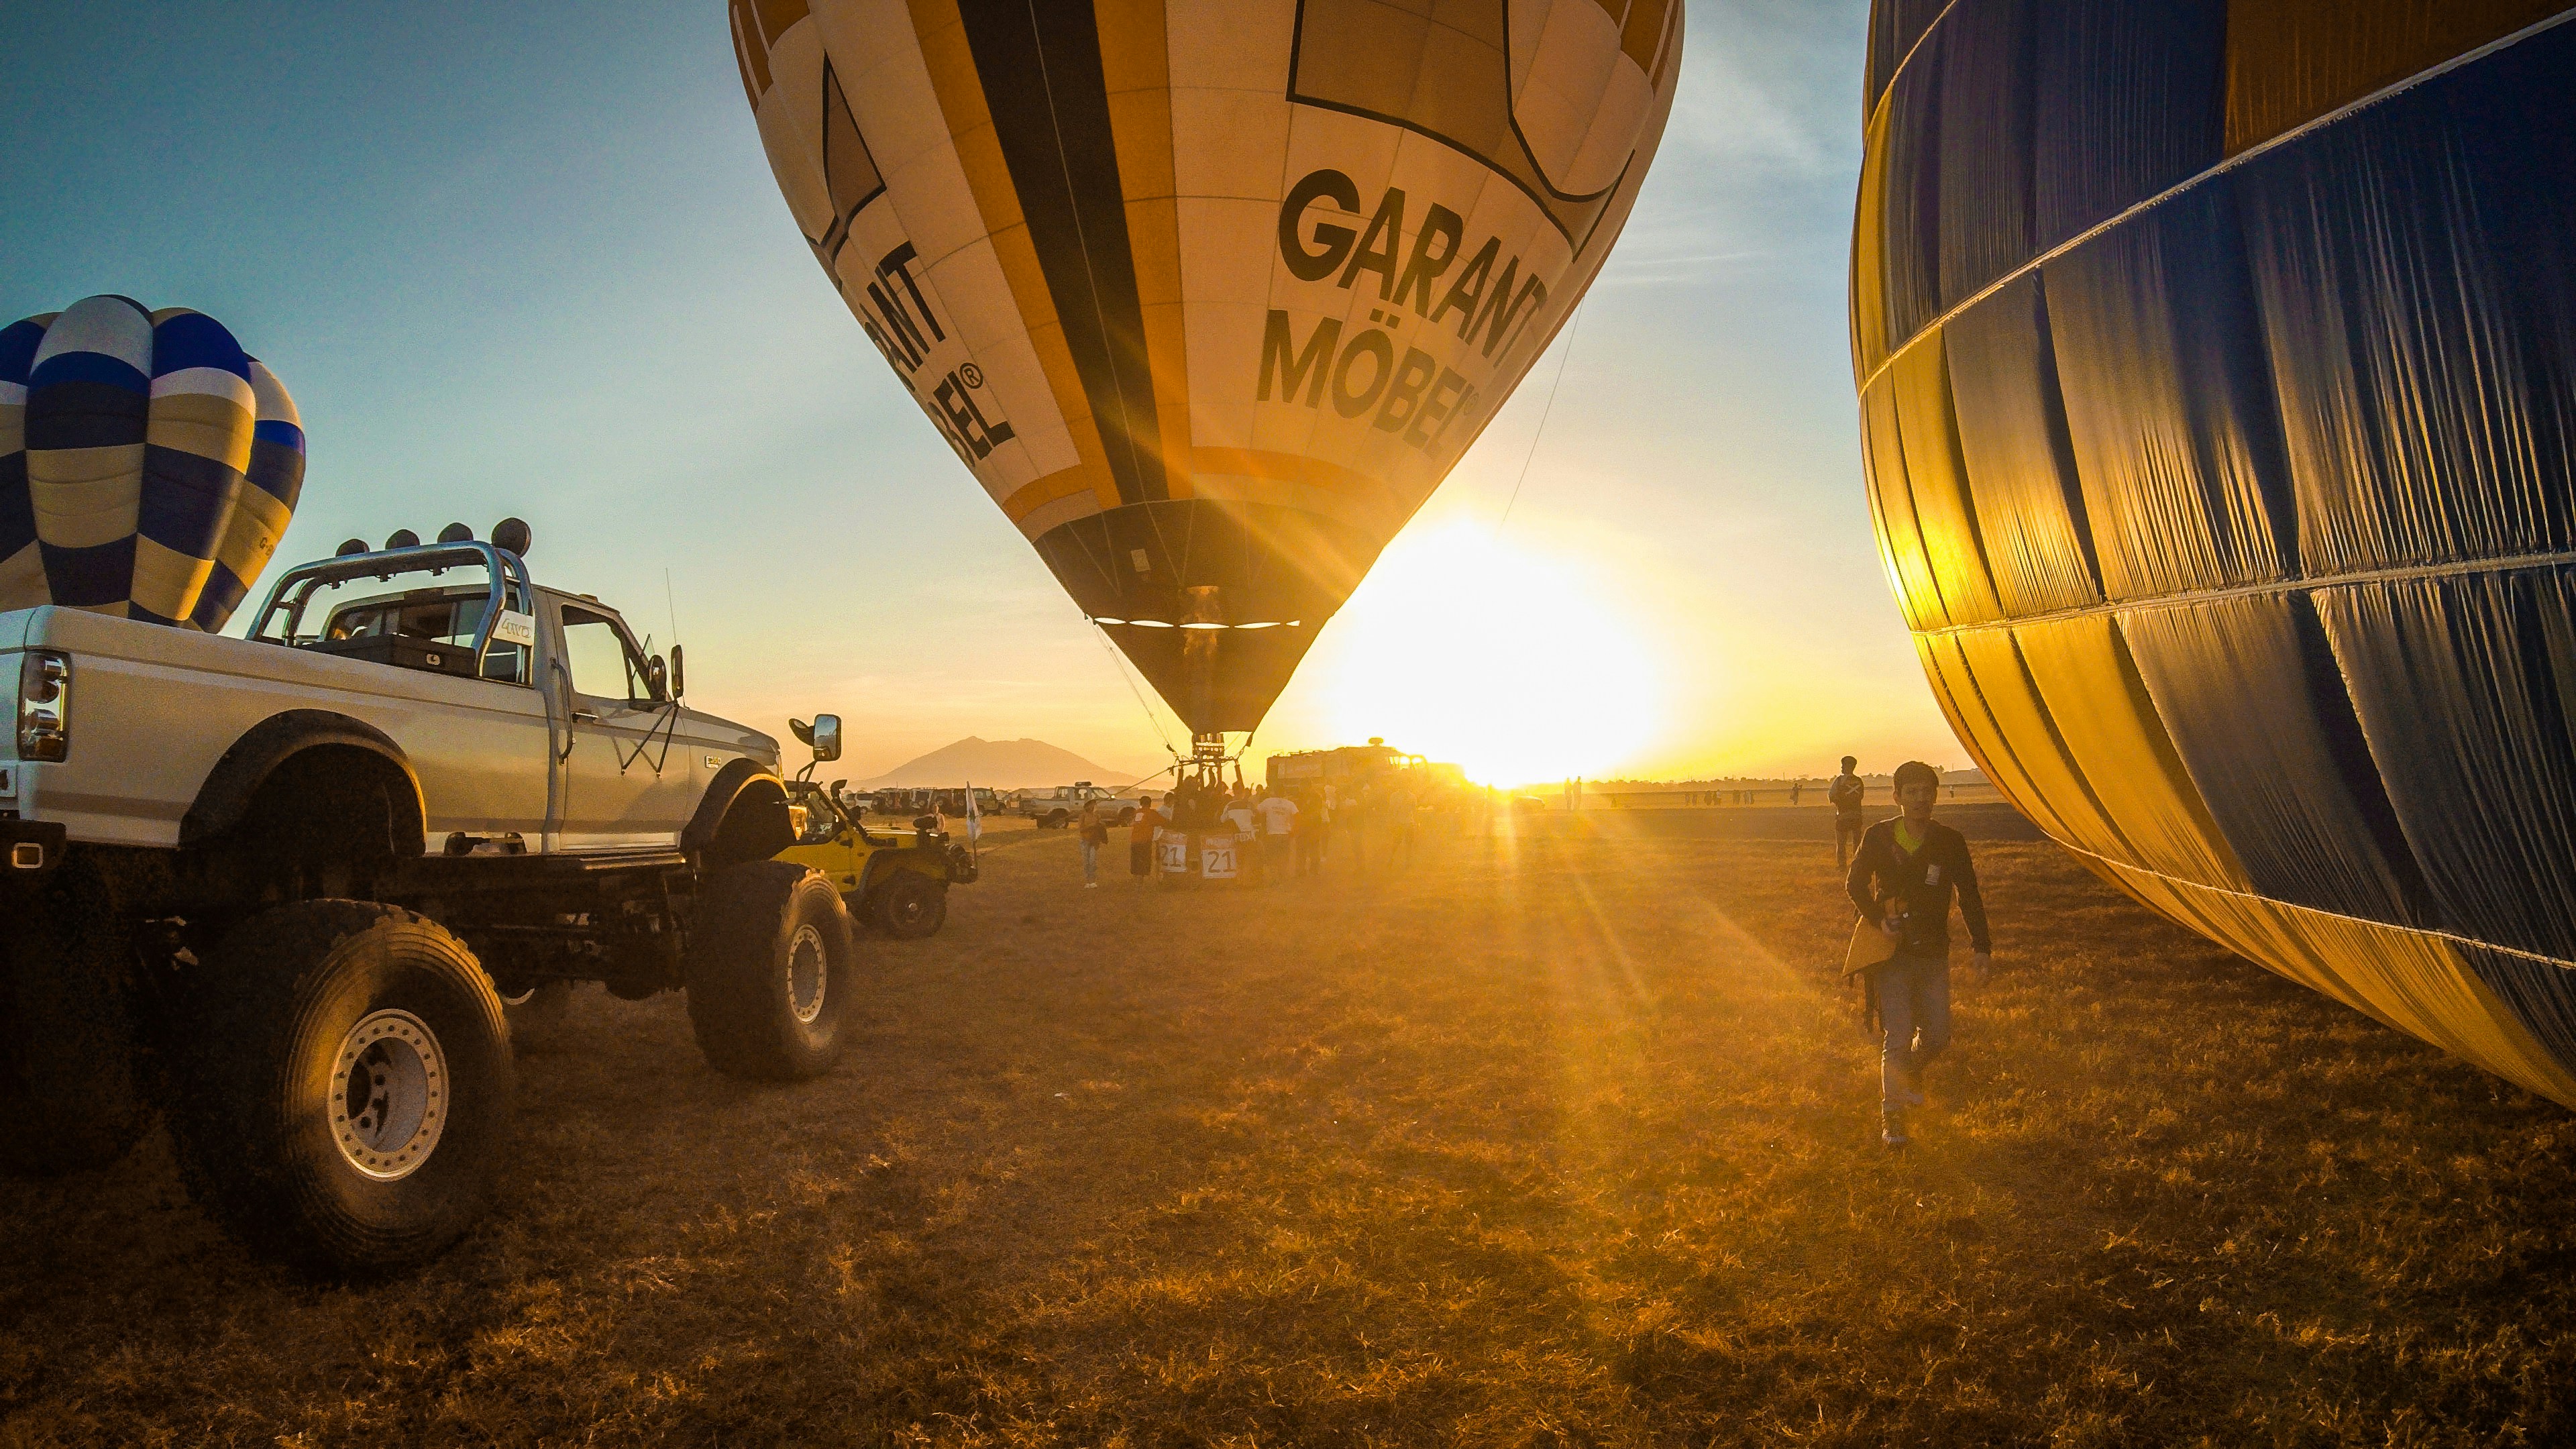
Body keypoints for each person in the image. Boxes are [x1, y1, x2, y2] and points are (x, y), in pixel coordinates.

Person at [1845, 760, 1992, 1148]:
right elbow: (1855, 883)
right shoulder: (1878, 837)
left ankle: (1909, 1071)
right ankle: (1892, 1113)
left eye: (1928, 791)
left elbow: (1970, 895)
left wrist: (1982, 946)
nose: (1921, 798)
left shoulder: (1950, 841)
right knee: (1898, 1033)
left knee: (1939, 1035)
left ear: (1936, 795)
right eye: (1911, 792)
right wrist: (1878, 919)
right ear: (1897, 797)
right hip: (1891, 952)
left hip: (1932, 951)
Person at [1829, 755, 1866, 870]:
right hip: (1856, 815)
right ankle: (1857, 865)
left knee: (1841, 843)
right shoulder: (1859, 781)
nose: (1841, 768)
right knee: (1857, 843)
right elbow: (1861, 796)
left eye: (1843, 765)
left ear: (1846, 766)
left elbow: (1831, 795)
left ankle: (1842, 866)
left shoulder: (1839, 780)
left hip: (1843, 816)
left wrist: (1839, 803)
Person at [1257, 784, 1298, 883]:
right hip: (1285, 834)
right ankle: (1283, 877)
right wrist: (1293, 830)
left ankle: (1274, 878)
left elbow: (1257, 811)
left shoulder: (1268, 802)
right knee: (1284, 857)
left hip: (1272, 833)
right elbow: (1298, 816)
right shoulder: (1290, 804)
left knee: (1272, 857)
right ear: (1284, 793)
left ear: (1273, 792)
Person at [1130, 795, 1163, 885]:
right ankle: (1139, 880)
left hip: (1134, 840)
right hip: (1145, 840)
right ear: (1150, 804)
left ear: (1141, 803)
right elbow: (1163, 822)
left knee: (1135, 860)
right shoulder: (1151, 813)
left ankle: (1136, 879)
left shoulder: (1137, 812)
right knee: (1144, 860)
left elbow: (1132, 823)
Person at [1077, 799, 1108, 888]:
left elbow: (1101, 827)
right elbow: (1081, 829)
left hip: (1094, 841)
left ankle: (1093, 881)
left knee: (1093, 861)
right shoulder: (1082, 816)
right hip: (1085, 840)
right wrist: (1092, 825)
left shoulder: (1097, 816)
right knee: (1086, 861)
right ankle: (1087, 881)